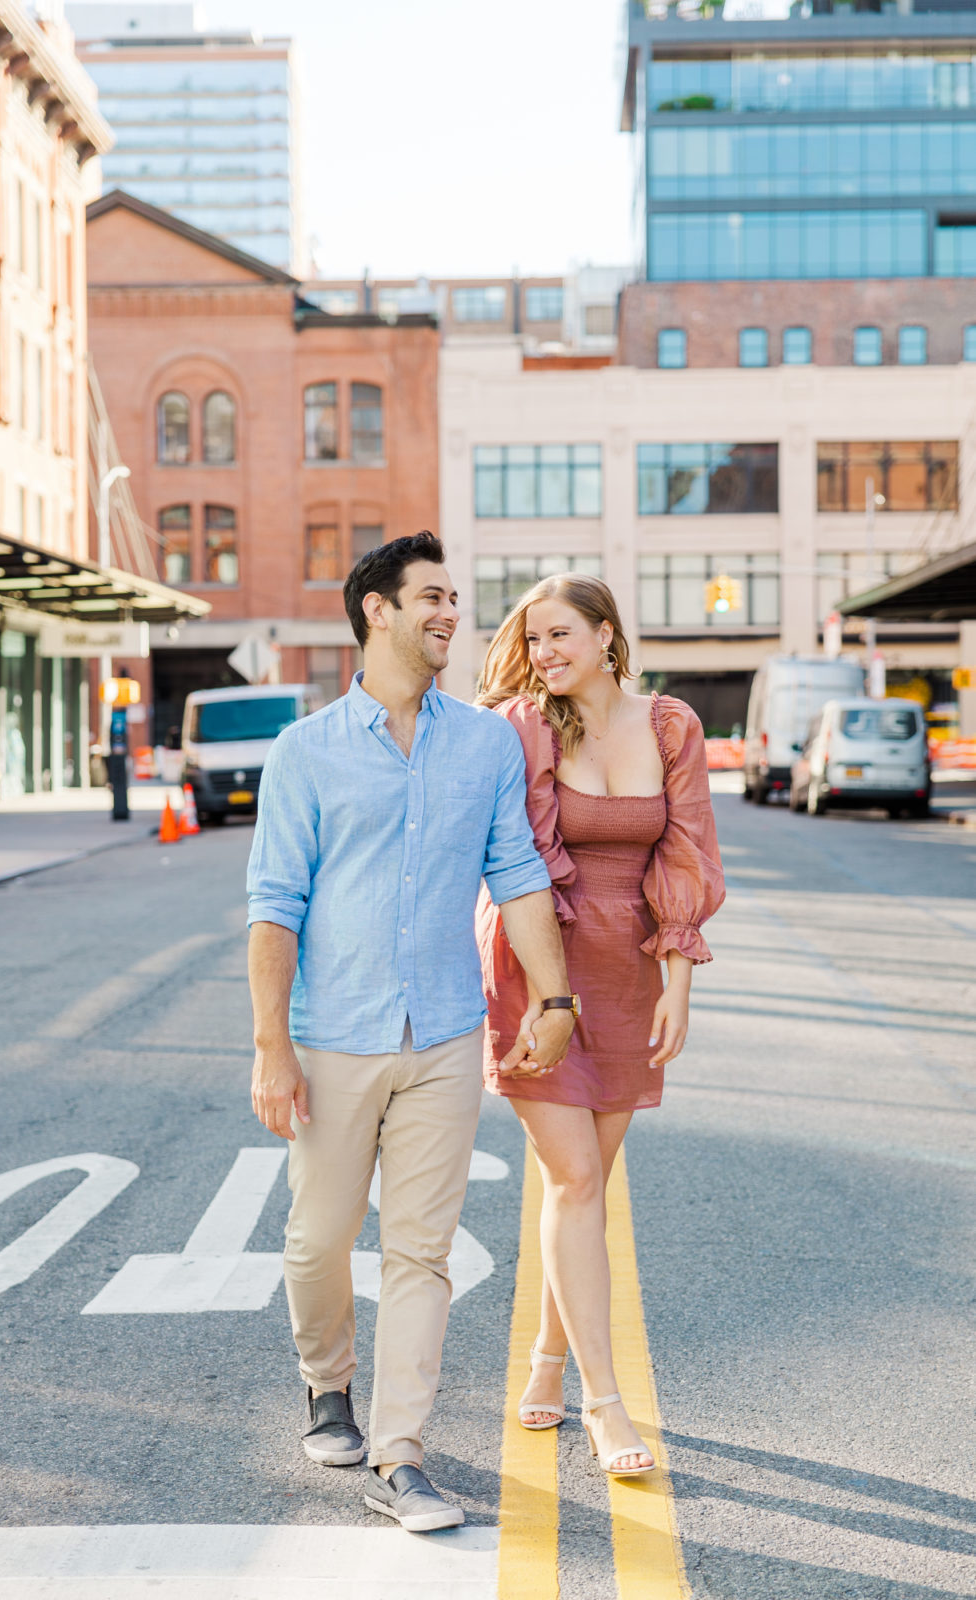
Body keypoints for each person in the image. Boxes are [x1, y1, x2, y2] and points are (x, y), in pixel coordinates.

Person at [246, 532, 578, 1533]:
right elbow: (274, 907)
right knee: (316, 1242)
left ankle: (400, 1456)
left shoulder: (481, 743)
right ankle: (324, 1381)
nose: (449, 614)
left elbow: (517, 873)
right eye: (431, 597)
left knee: (421, 1253)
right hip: (333, 1036)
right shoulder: (304, 751)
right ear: (376, 611)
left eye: (453, 598)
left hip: (441, 1032)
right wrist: (270, 1045)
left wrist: (552, 999)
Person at [475, 574, 724, 1477]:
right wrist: (550, 996)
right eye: (532, 639)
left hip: (630, 967)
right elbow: (518, 864)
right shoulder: (525, 728)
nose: (542, 654)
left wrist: (677, 983)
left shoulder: (671, 727)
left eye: (559, 634)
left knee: (584, 1187)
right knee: (575, 1178)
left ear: (608, 634)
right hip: (540, 963)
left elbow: (685, 851)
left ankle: (546, 1355)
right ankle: (604, 1404)